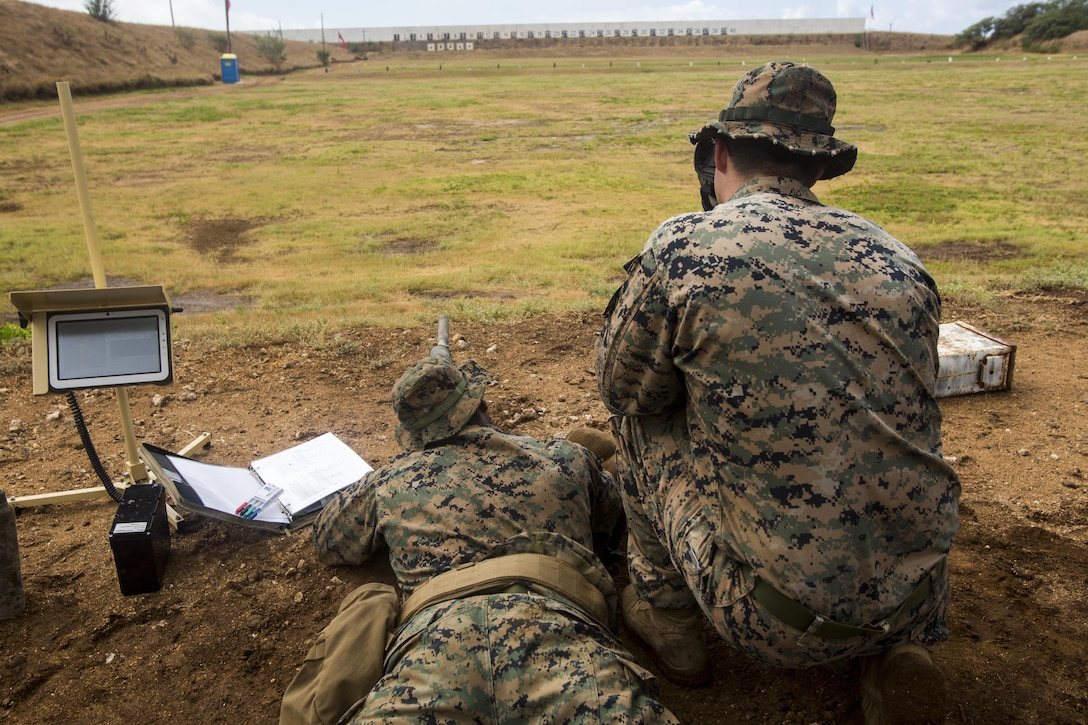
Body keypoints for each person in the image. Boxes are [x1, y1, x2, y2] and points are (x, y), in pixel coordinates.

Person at [594, 61, 960, 725]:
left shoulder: (685, 246)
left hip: (773, 618)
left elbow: (623, 387)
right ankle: (890, 653)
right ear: (817, 168)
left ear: (720, 154)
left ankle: (664, 610)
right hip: (919, 590)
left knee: (637, 423)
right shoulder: (901, 259)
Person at [305, 355, 678, 724]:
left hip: (432, 652)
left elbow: (328, 539)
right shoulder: (564, 457)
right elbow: (612, 515)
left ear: (416, 435)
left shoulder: (390, 480)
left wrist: (397, 480)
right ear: (481, 404)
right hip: (558, 631)